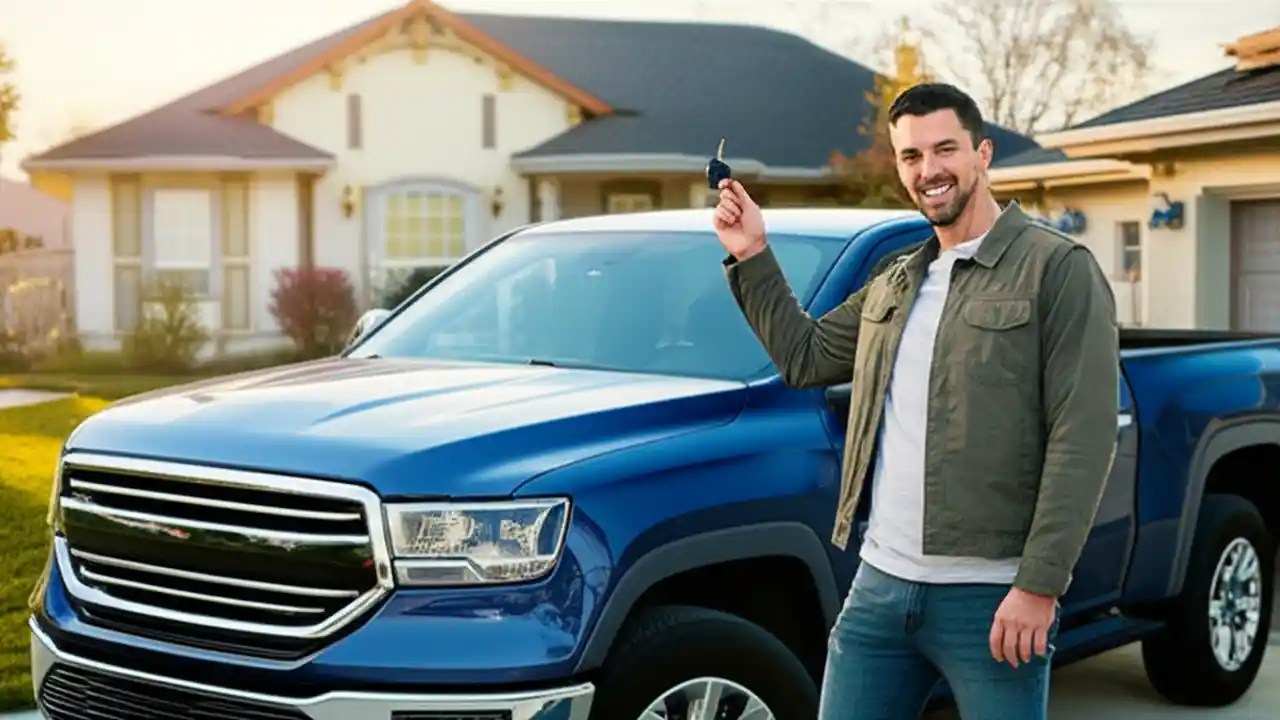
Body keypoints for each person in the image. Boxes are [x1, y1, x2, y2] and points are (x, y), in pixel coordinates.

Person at [713, 82, 1118, 718]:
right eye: (910, 156)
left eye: (944, 149)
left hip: (991, 598)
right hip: (879, 589)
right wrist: (752, 253)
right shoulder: (897, 280)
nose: (928, 170)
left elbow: (1084, 435)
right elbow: (806, 357)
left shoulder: (1057, 269)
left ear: (983, 153)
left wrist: (1039, 586)